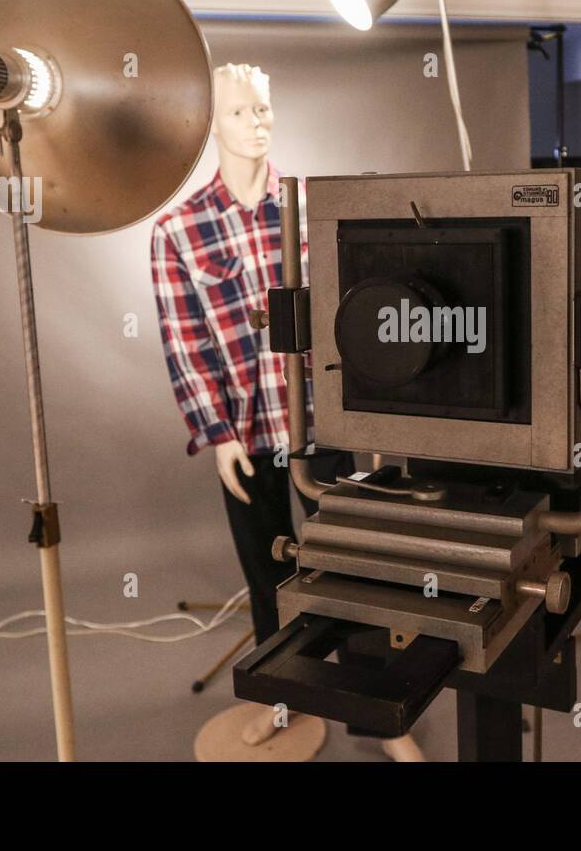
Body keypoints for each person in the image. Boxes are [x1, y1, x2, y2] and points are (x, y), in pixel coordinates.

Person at [151, 63, 423, 761]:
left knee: (355, 566)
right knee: (269, 575)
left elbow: (352, 320)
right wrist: (216, 436)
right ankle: (285, 700)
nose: (257, 123)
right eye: (240, 112)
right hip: (246, 436)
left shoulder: (310, 211)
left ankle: (378, 718)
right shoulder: (177, 231)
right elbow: (186, 346)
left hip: (324, 427)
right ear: (211, 123)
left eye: (264, 109)